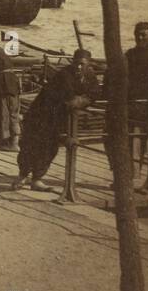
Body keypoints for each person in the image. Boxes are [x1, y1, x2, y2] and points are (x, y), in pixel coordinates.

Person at [12, 49, 96, 192]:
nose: (79, 67)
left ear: (88, 65)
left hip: (57, 118)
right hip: (40, 115)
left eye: (82, 64)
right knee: (30, 145)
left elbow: (94, 93)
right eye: (76, 63)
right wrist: (79, 99)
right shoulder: (64, 75)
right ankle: (22, 176)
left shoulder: (89, 76)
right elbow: (69, 96)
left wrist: (84, 99)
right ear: (72, 62)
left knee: (50, 148)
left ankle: (37, 179)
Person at [126, 22, 148, 187]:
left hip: (143, 105)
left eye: (144, 35)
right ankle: (127, 176)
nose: (140, 38)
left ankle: (135, 177)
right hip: (129, 102)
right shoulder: (129, 54)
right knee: (126, 140)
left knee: (138, 141)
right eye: (138, 34)